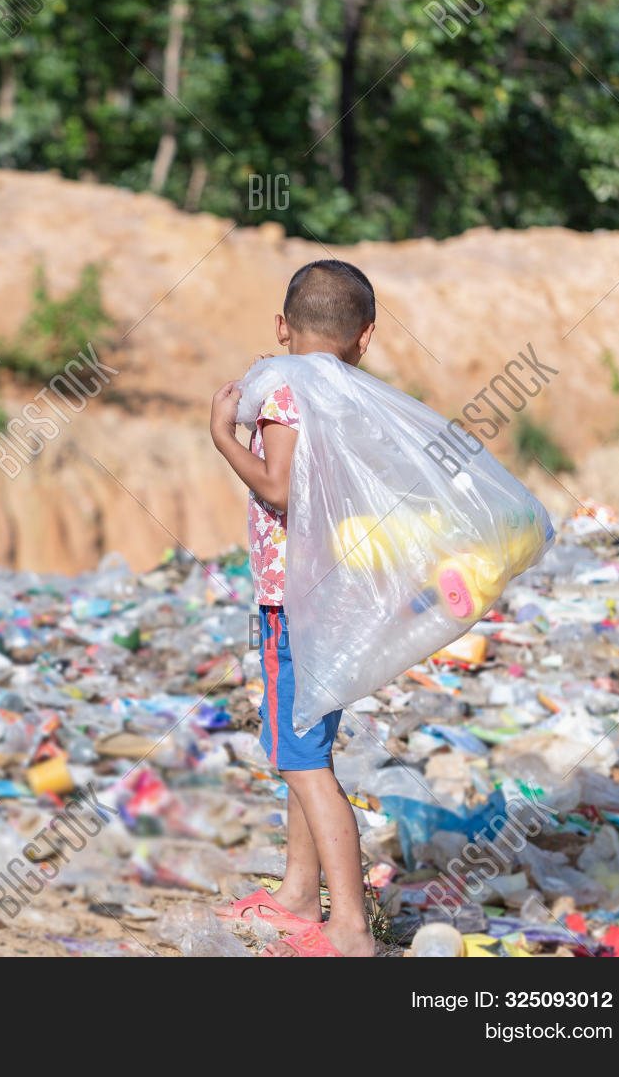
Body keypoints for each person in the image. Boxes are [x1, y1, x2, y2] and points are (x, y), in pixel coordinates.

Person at [207, 259, 378, 957]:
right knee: (310, 745)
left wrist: (223, 437)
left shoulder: (284, 390)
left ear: (281, 327)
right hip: (334, 596)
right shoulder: (355, 396)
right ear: (364, 338)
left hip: (292, 603)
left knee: (302, 762)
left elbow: (279, 490)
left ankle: (350, 928)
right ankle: (299, 895)